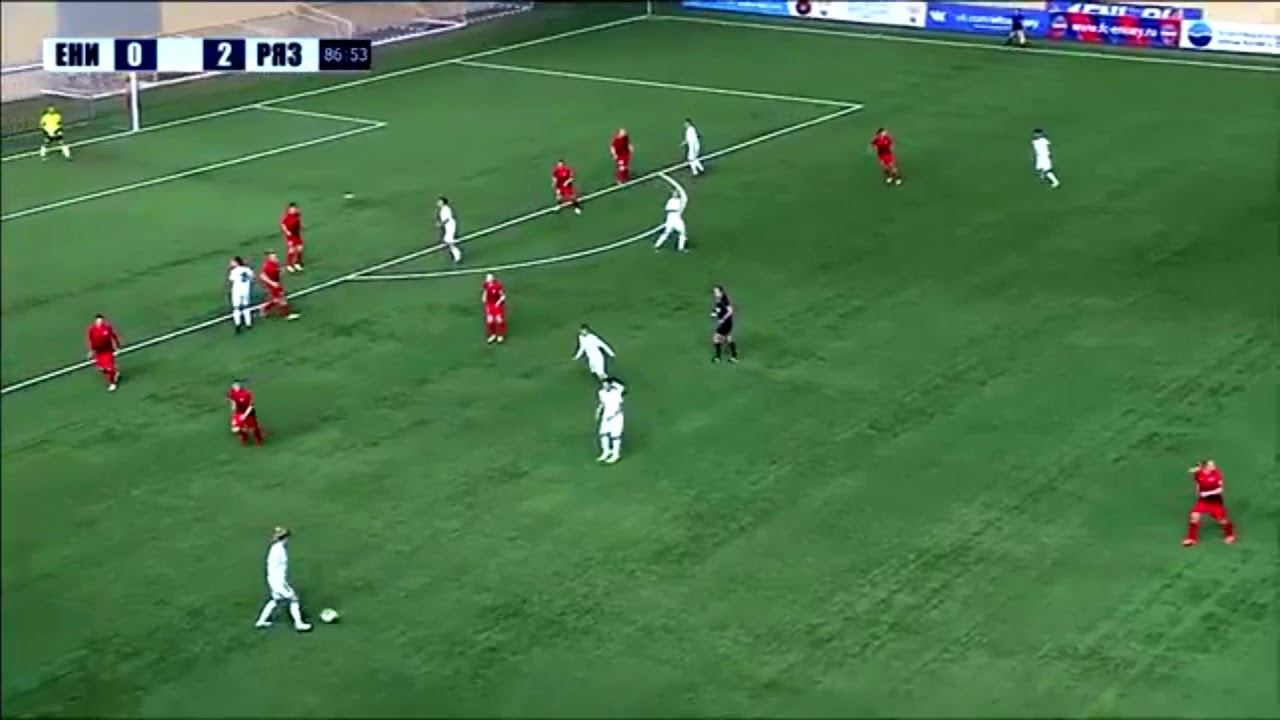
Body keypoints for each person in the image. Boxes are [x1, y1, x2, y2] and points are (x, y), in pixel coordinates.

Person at [254, 526, 312, 631]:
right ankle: (299, 624)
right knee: (294, 599)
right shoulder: (280, 550)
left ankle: (261, 621)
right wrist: (283, 582)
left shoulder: (274, 548)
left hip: (271, 579)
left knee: (275, 600)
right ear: (285, 538)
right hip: (279, 581)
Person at [1183, 460, 1236, 547]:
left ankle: (1230, 534)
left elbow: (1220, 489)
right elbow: (1197, 481)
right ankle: (1191, 538)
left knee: (1221, 520)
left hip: (1215, 500)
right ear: (1205, 467)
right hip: (1203, 500)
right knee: (1194, 516)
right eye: (1211, 465)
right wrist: (1198, 492)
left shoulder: (1217, 473)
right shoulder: (1198, 473)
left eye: (1213, 464)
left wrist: (1206, 493)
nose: (1214, 466)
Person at [259, 251, 300, 320]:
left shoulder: (274, 263)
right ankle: (287, 314)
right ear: (269, 258)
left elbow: (278, 271)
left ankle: (264, 308)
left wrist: (280, 271)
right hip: (273, 285)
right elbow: (262, 276)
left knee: (277, 299)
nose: (276, 258)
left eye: (275, 256)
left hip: (277, 282)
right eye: (273, 257)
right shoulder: (268, 266)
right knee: (282, 299)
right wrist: (272, 283)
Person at [85, 314, 120, 391]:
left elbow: (113, 336)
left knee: (109, 368)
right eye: (98, 320)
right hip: (98, 352)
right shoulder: (92, 329)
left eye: (101, 320)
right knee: (101, 368)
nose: (99, 321)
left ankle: (112, 383)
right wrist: (91, 351)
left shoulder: (107, 328)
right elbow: (90, 340)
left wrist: (117, 345)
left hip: (107, 350)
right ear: (95, 321)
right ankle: (115, 373)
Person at [595, 377, 625, 464]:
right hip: (606, 416)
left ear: (610, 385)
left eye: (606, 385)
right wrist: (598, 411)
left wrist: (612, 381)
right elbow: (602, 403)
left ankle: (616, 454)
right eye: (603, 385)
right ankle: (606, 451)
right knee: (603, 433)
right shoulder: (601, 392)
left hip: (616, 416)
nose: (605, 387)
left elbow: (622, 386)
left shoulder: (617, 392)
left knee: (615, 436)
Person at [227, 380, 264, 446]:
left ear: (239, 385)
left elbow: (251, 406)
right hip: (238, 412)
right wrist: (234, 411)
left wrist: (244, 415)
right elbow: (233, 402)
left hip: (249, 412)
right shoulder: (231, 392)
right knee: (238, 427)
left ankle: (259, 438)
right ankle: (244, 437)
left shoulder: (247, 393)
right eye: (234, 385)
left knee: (254, 428)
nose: (235, 386)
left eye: (237, 385)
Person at [711, 285, 738, 363]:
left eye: (716, 292)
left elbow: (730, 311)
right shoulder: (719, 299)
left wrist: (723, 319)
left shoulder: (724, 300)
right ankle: (734, 356)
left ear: (721, 292)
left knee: (716, 338)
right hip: (727, 323)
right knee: (728, 339)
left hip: (725, 323)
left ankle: (717, 357)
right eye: (714, 291)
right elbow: (718, 307)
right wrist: (715, 312)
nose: (715, 293)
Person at [228, 256, 255, 334]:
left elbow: (231, 279)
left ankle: (238, 325)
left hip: (237, 292)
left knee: (236, 308)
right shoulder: (248, 269)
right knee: (246, 306)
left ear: (236, 263)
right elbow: (253, 278)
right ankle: (248, 323)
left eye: (232, 262)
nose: (231, 263)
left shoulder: (234, 271)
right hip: (246, 291)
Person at [481, 272, 506, 343]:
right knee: (490, 320)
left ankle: (500, 335)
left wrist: (498, 303)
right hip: (489, 304)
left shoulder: (498, 286)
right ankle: (493, 335)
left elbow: (503, 296)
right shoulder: (486, 284)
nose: (487, 279)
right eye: (486, 278)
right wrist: (484, 297)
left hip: (497, 304)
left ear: (492, 279)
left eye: (488, 278)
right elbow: (485, 291)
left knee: (499, 320)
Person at [280, 202, 304, 273]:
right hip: (290, 235)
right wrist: (287, 231)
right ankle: (289, 265)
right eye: (292, 209)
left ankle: (297, 263)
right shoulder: (287, 216)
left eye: (294, 209)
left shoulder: (297, 214)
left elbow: (299, 220)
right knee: (292, 250)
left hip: (297, 234)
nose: (293, 210)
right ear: (289, 209)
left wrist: (300, 225)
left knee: (300, 249)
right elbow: (282, 224)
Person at [437, 196, 461, 264]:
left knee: (448, 240)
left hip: (450, 226)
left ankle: (457, 256)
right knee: (447, 240)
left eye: (439, 201)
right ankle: (455, 253)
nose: (438, 203)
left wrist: (440, 224)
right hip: (448, 226)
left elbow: (447, 219)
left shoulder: (446, 209)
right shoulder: (443, 209)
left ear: (443, 202)